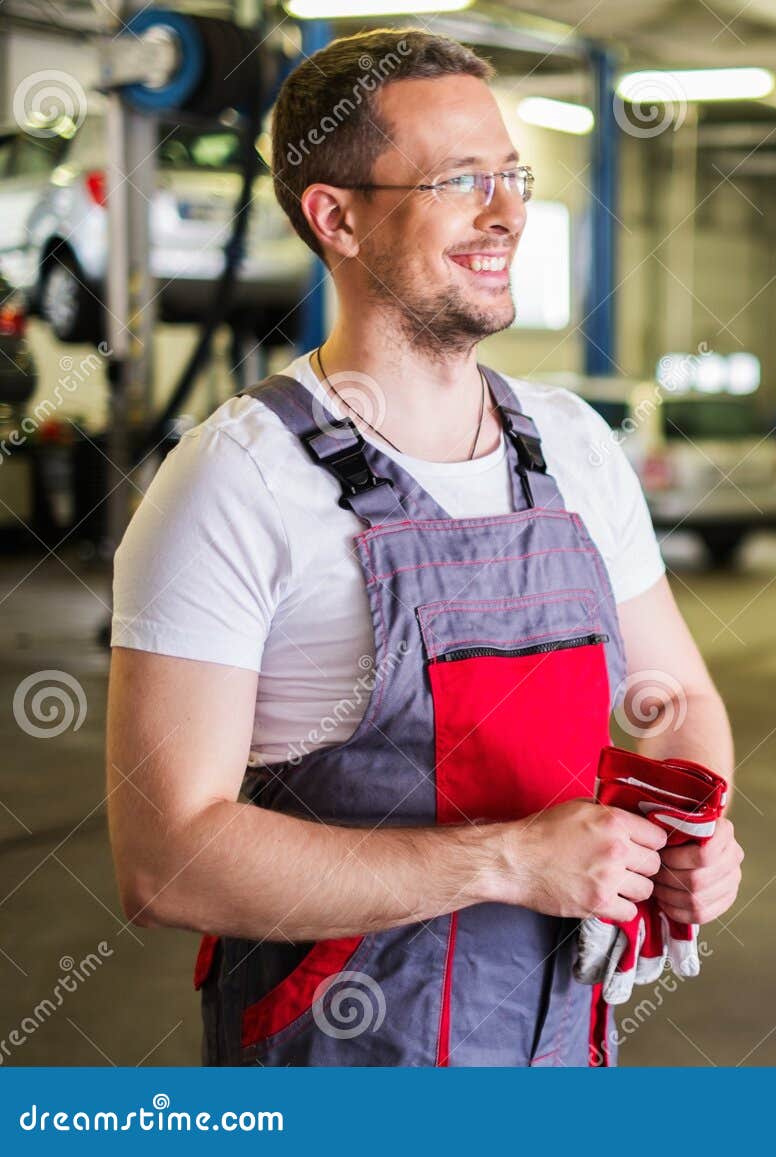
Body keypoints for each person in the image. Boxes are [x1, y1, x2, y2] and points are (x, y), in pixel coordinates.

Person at [105, 28, 742, 1066]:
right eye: (459, 180)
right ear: (337, 216)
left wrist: (693, 839)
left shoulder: (574, 446)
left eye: (512, 174)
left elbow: (679, 702)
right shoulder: (238, 479)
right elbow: (168, 861)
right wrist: (507, 861)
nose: (508, 214)